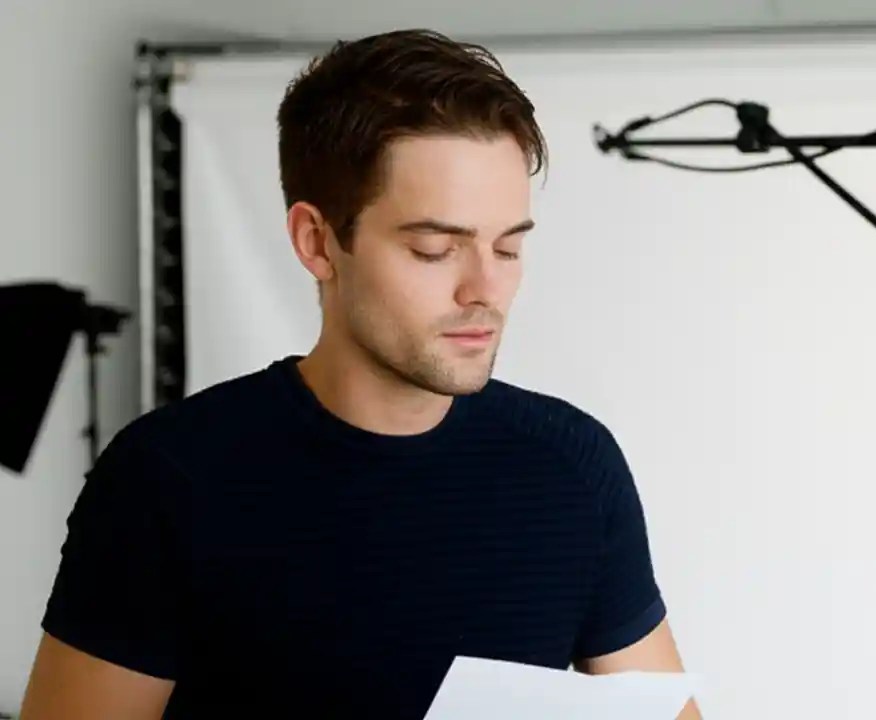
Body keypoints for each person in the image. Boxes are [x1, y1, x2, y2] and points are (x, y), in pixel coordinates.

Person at [20, 29, 700, 720]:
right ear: (318, 242)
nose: (484, 289)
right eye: (435, 249)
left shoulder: (573, 465)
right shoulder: (167, 477)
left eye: (508, 247)